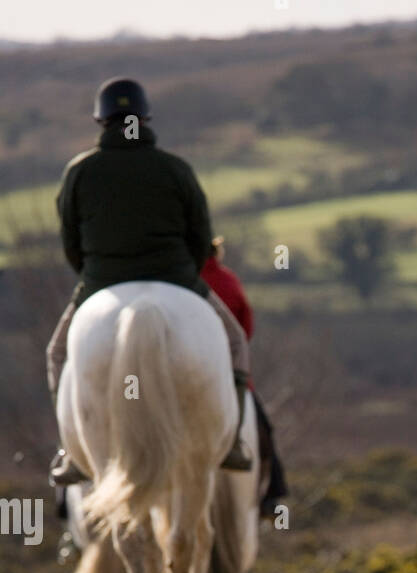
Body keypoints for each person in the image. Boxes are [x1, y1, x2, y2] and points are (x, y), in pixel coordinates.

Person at [47, 76, 252, 492]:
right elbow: (200, 239)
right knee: (235, 344)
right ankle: (230, 444)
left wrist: (94, 278)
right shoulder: (175, 168)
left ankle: (70, 451)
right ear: (145, 119)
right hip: (177, 276)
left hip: (101, 282)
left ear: (100, 120)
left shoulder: (80, 172)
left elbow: (71, 243)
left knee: (55, 355)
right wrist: (184, 274)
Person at [200, 236, 288, 516]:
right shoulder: (227, 280)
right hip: (227, 375)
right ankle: (271, 496)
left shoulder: (170, 283)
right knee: (264, 429)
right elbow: (245, 329)